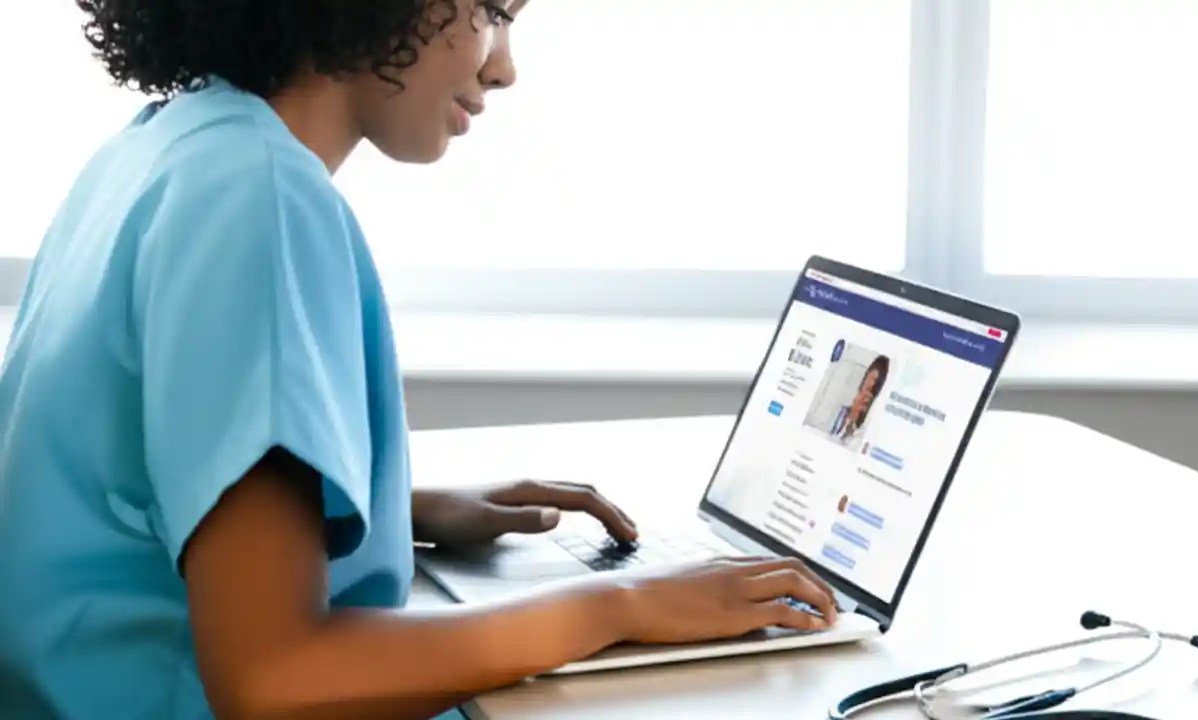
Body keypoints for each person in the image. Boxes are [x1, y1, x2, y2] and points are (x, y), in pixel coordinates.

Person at [0, 2, 840, 718]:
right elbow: (274, 681)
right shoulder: (261, 195)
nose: (504, 66)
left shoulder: (165, 146)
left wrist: (401, 509)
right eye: (491, 12)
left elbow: (127, 491)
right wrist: (625, 605)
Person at [836, 355, 891, 447]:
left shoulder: (865, 432)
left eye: (876, 385)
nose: (866, 397)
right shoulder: (840, 415)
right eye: (872, 379)